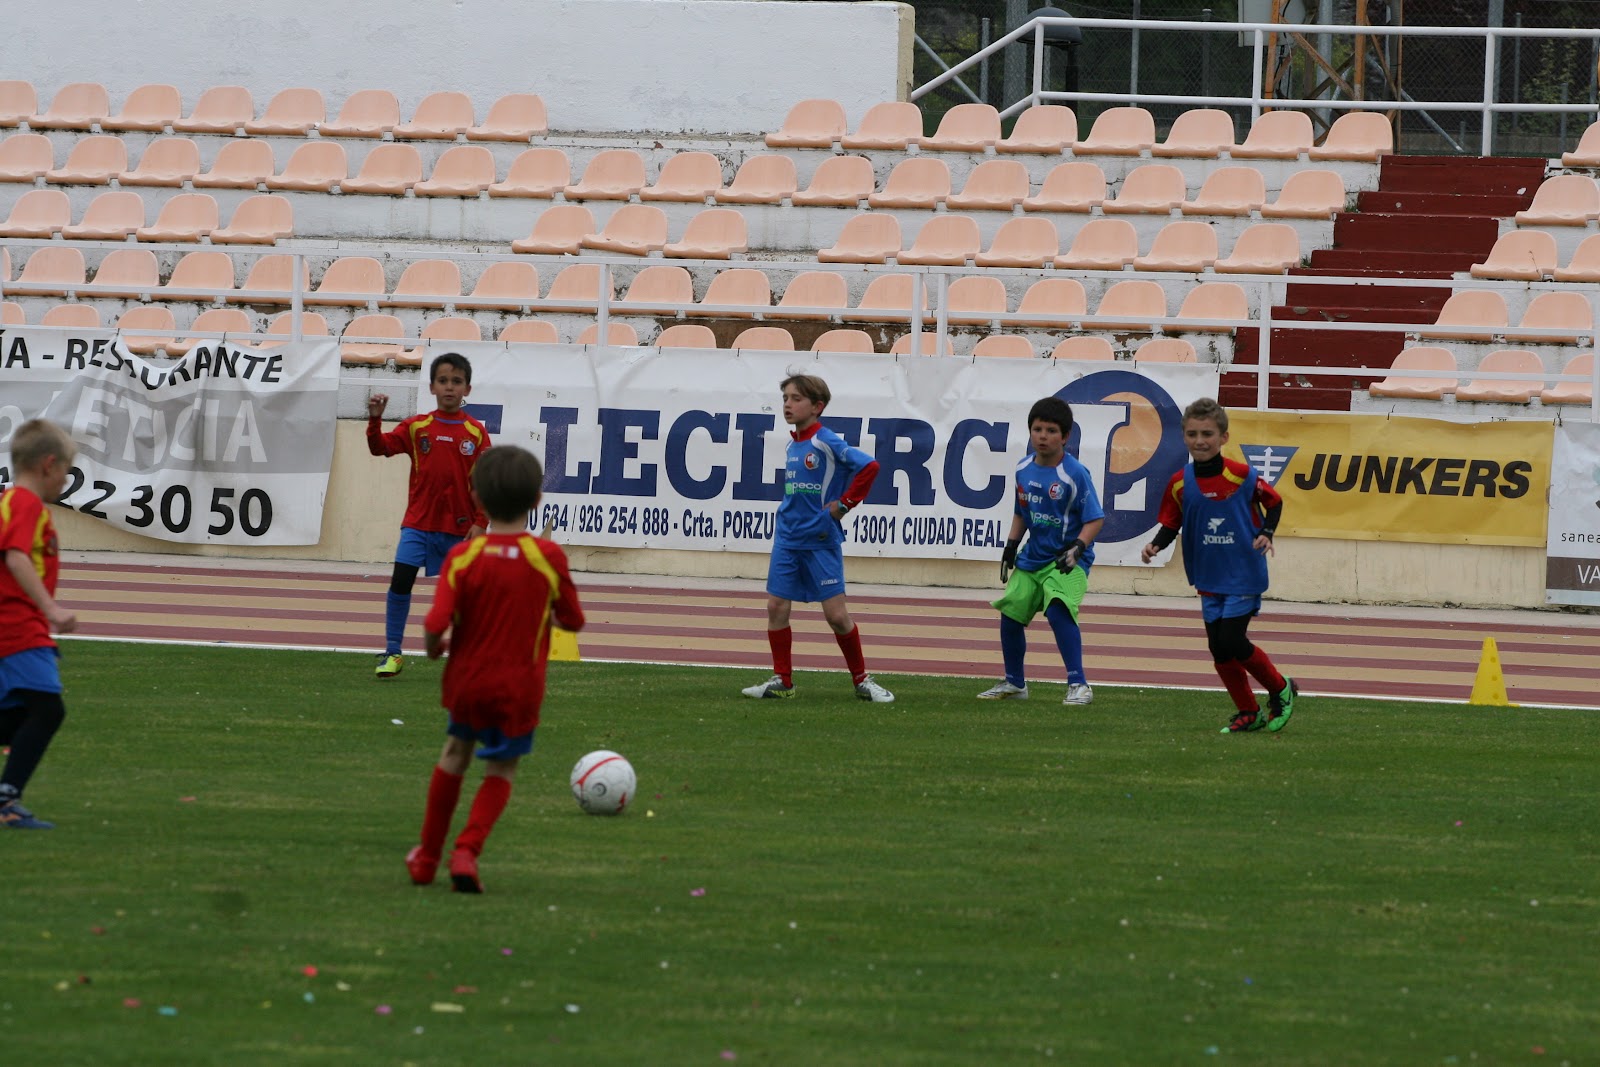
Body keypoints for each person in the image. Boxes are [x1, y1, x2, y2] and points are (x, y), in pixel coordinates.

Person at [406, 445, 585, 893]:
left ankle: (427, 858)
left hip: (469, 682)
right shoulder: (547, 557)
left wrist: (433, 649)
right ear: (537, 501)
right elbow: (574, 620)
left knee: (453, 756)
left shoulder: (463, 558)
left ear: (477, 501)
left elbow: (433, 623)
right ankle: (466, 851)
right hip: (519, 687)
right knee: (501, 770)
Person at [1140, 397, 1297, 733]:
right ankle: (1248, 711)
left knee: (1232, 640)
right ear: (1184, 436)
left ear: (1223, 437)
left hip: (1243, 572)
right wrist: (1156, 544)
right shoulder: (1180, 482)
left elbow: (1274, 501)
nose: (1200, 440)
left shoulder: (1241, 475)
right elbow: (1173, 521)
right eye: (1193, 434)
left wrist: (1266, 532)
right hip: (1208, 575)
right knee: (1218, 648)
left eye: (1208, 434)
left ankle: (1280, 688)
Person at [741, 373, 894, 703]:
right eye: (785, 398)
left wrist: (842, 506)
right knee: (776, 606)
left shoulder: (825, 440)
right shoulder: (792, 443)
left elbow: (869, 466)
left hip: (820, 538)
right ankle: (783, 681)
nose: (788, 404)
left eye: (796, 399)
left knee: (836, 616)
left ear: (817, 406)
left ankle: (863, 680)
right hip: (787, 538)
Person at [367, 352, 491, 679]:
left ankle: (468, 654)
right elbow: (381, 448)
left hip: (461, 529)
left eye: (456, 382)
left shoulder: (476, 433)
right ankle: (393, 652)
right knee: (400, 583)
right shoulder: (417, 426)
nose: (449, 387)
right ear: (432, 387)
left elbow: (487, 483)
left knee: (466, 596)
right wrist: (375, 420)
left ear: (468, 389)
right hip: (418, 525)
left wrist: (481, 523)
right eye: (443, 381)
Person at [977, 397, 1105, 706]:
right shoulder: (1023, 469)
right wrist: (1011, 546)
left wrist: (1078, 547)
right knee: (1011, 615)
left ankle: (1079, 685)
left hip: (1065, 560)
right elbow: (1022, 511)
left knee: (1059, 610)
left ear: (1066, 436)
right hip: (1032, 558)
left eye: (1051, 430)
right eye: (1037, 429)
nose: (1043, 436)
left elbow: (1095, 518)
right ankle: (1015, 683)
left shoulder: (1074, 473)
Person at [0, 419, 79, 830]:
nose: (66, 480)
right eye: (67, 470)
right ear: (49, 465)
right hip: (18, 628)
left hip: (13, 626)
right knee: (48, 710)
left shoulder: (12, 504)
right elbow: (15, 557)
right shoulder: (25, 504)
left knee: (17, 716)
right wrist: (52, 610)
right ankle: (7, 802)